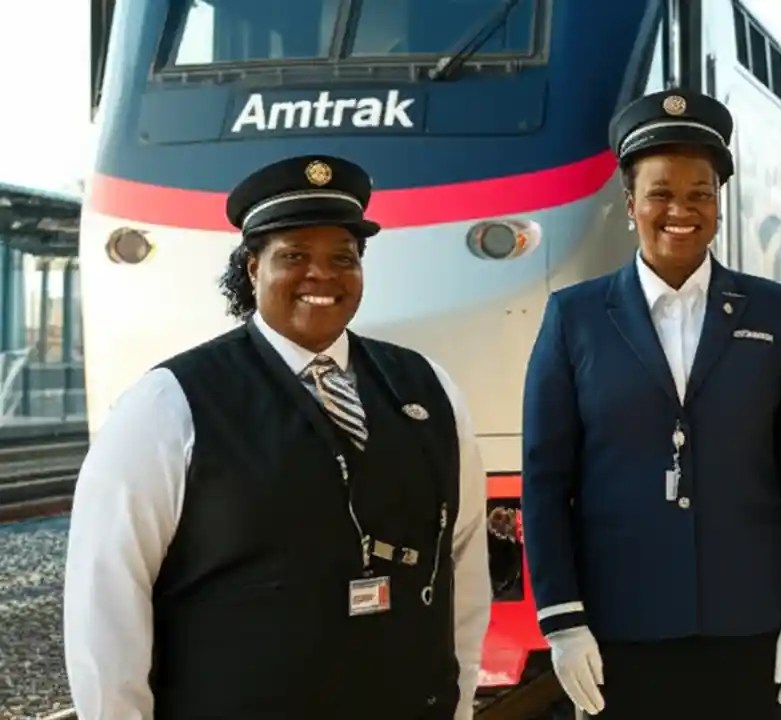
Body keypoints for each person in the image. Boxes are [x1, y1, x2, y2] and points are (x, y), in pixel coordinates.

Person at [63, 154, 491, 719]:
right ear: (251, 268)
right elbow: (106, 602)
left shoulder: (430, 390)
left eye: (344, 258)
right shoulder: (168, 404)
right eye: (293, 256)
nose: (322, 275)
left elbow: (464, 571)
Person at [520, 89, 781, 720]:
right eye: (661, 192)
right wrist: (562, 620)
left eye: (701, 194)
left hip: (748, 626)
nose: (681, 210)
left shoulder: (772, 311)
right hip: (620, 628)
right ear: (629, 202)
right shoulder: (574, 317)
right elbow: (546, 480)